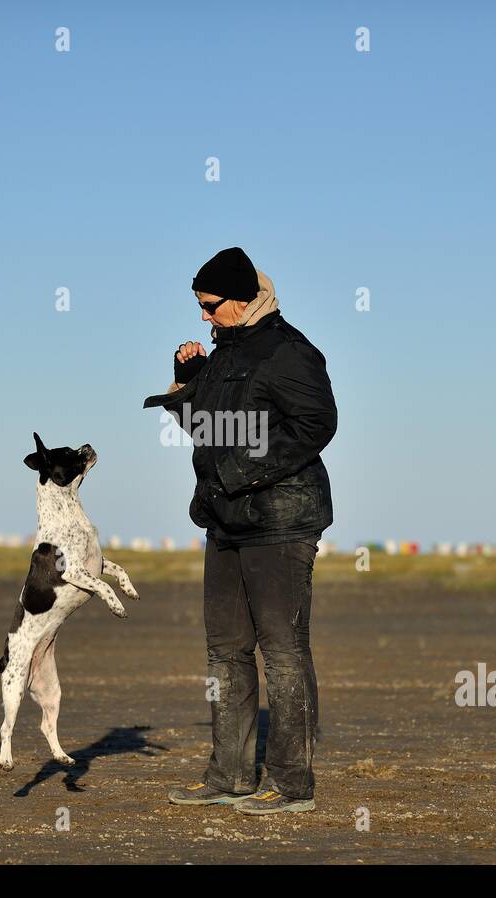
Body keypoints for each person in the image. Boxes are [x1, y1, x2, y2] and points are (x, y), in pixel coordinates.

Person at [143, 247, 337, 815]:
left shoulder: (290, 351)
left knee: (283, 653)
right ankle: (230, 776)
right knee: (226, 652)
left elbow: (317, 425)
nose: (204, 317)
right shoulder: (225, 353)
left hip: (281, 521)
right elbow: (206, 429)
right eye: (199, 306)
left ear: (243, 298)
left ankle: (291, 784)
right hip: (225, 519)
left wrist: (238, 472)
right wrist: (186, 385)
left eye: (210, 305)